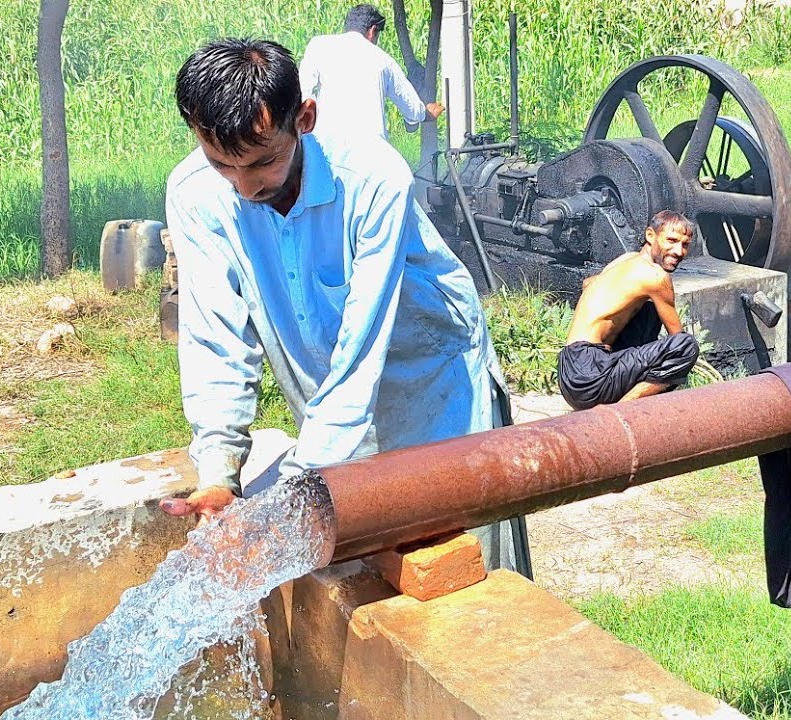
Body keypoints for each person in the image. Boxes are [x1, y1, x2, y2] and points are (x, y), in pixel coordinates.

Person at [159, 38, 529, 576]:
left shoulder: (374, 176)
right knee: (357, 547)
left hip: (431, 364)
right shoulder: (194, 193)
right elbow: (215, 338)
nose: (243, 186)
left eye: (262, 162)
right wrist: (218, 473)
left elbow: (361, 345)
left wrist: (296, 492)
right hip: (328, 370)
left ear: (304, 118)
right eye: (222, 165)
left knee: (460, 546)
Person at [556, 211, 701, 410]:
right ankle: (621, 411)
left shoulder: (627, 259)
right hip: (591, 374)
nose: (678, 251)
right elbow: (677, 338)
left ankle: (620, 397)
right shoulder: (656, 276)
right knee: (687, 346)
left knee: (647, 309)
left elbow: (587, 283)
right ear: (650, 235)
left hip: (569, 372)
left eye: (685, 244)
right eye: (672, 240)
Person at [298, 4, 444, 140]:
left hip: (326, 146)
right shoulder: (383, 60)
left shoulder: (319, 46)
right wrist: (426, 114)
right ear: (373, 31)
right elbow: (412, 108)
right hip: (371, 153)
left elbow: (303, 92)